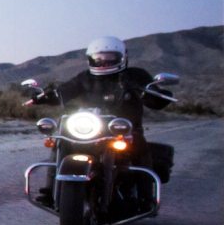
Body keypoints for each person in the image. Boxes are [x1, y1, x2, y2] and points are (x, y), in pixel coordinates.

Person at [32, 35, 173, 208]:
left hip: (123, 129)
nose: (104, 62)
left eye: (110, 58)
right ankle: (50, 191)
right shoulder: (85, 77)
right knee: (61, 140)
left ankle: (146, 197)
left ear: (122, 57)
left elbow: (155, 98)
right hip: (91, 127)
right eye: (99, 58)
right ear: (90, 59)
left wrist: (158, 95)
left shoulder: (135, 75)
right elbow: (65, 91)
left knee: (140, 147)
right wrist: (46, 96)